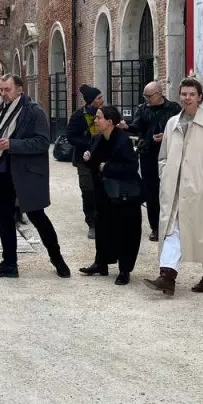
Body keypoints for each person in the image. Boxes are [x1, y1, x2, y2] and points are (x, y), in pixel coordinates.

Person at [144, 76, 203, 296]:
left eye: (192, 94)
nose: (187, 98)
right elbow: (163, 156)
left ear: (200, 97)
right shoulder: (172, 123)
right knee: (172, 229)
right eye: (184, 94)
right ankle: (167, 276)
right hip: (173, 188)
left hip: (199, 191)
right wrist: (165, 174)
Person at [0, 74, 70, 279]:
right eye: (1, 90)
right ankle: (9, 263)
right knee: (4, 217)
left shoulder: (34, 112)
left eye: (7, 89)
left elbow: (42, 142)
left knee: (37, 216)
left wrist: (14, 145)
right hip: (1, 170)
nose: (3, 93)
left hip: (26, 174)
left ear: (20, 89)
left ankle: (57, 259)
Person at [79, 105, 144, 285]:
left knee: (126, 231)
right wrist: (89, 158)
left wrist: (105, 167)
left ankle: (124, 270)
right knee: (103, 228)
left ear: (110, 121)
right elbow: (94, 165)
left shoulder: (123, 140)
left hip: (124, 195)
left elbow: (130, 167)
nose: (96, 120)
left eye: (99, 117)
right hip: (104, 193)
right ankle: (101, 263)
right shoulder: (97, 138)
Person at [121, 81, 181, 242]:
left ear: (160, 93)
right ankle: (155, 227)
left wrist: (165, 136)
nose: (147, 99)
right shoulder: (142, 109)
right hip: (148, 154)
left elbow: (181, 128)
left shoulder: (174, 109)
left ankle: (172, 225)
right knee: (151, 192)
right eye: (145, 96)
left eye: (149, 96)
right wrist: (125, 126)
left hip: (170, 154)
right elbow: (136, 127)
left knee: (169, 189)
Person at [66, 84, 105, 240]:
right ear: (91, 101)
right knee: (88, 190)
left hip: (102, 158)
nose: (102, 100)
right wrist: (88, 143)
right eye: (98, 98)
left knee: (101, 190)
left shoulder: (105, 113)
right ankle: (92, 223)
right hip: (84, 159)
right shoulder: (77, 116)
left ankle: (104, 220)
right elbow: (70, 136)